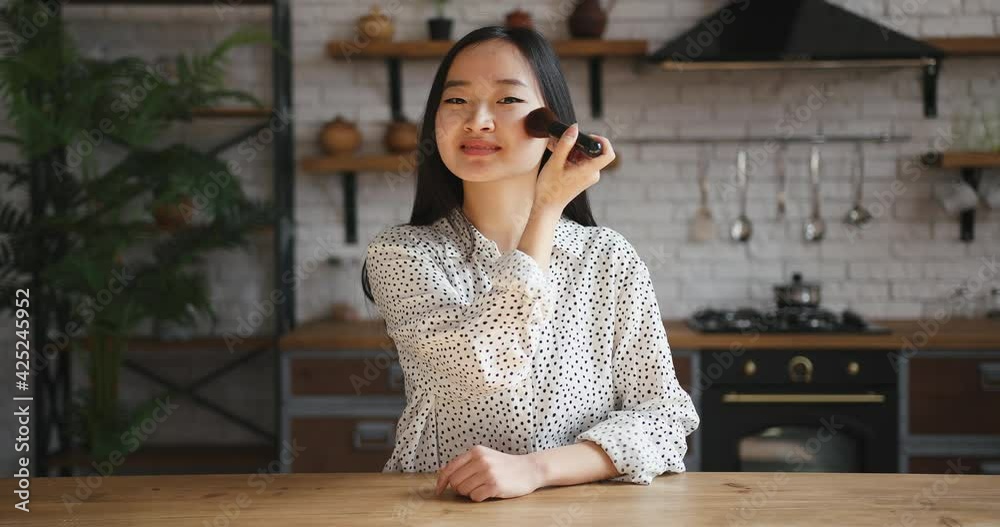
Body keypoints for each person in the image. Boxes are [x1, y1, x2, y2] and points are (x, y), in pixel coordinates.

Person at [361, 26, 698, 502]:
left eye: (506, 101)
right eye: (456, 101)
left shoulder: (607, 257)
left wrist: (537, 469)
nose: (477, 121)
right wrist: (546, 210)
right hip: (442, 510)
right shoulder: (402, 254)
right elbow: (483, 364)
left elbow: (666, 419)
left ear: (552, 129)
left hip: (589, 513)